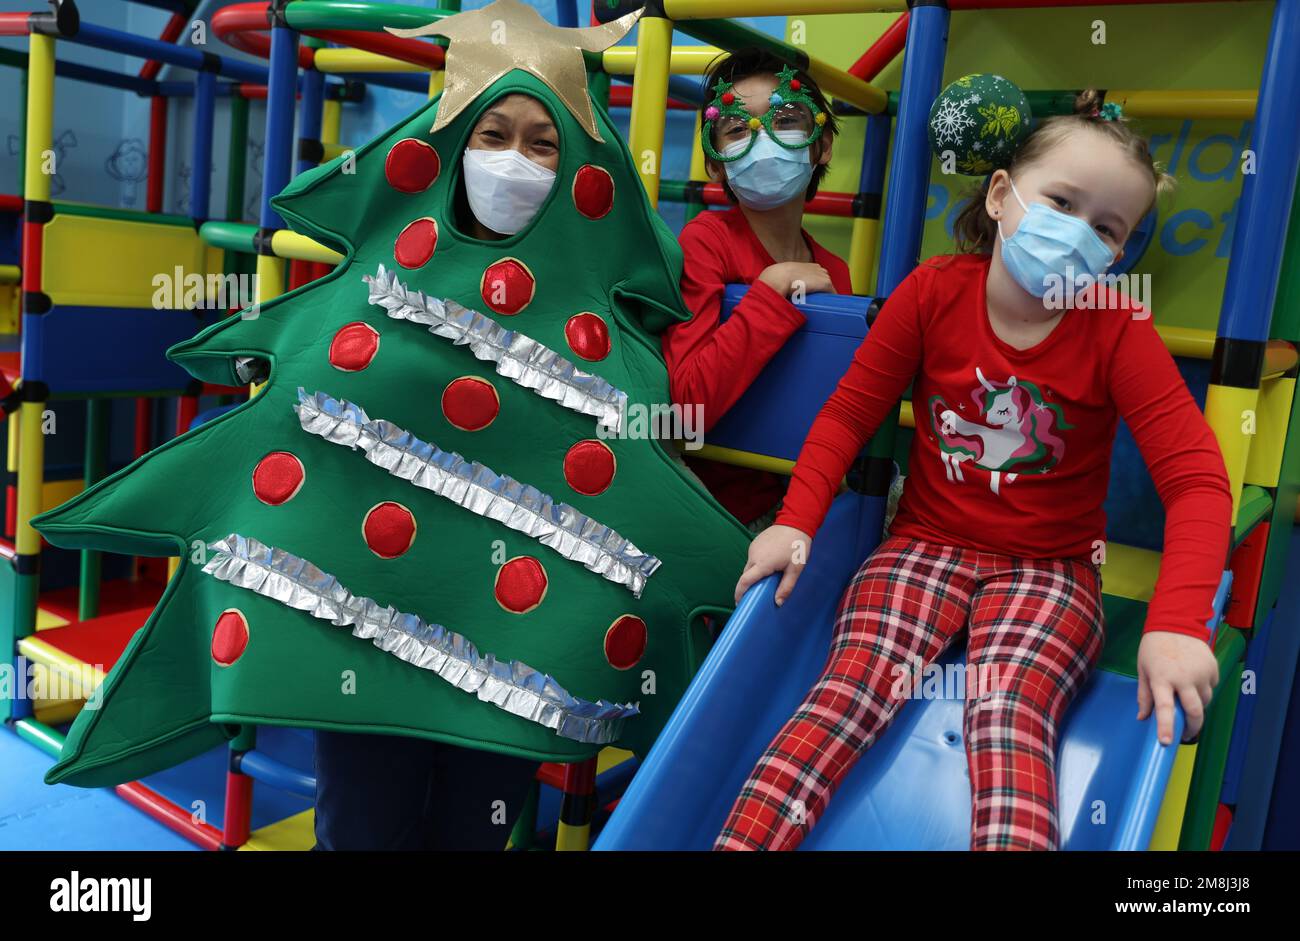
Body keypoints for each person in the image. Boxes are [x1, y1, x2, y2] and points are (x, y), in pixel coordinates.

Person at [715, 91, 1232, 851]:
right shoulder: (932, 293)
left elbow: (1197, 479)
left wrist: (1178, 623)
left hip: (1050, 570)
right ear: (1000, 195)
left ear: (1118, 254)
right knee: (850, 687)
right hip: (923, 545)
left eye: (1107, 228)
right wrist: (795, 520)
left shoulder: (1119, 327)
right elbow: (847, 415)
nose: (1078, 234)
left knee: (1007, 709)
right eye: (1061, 201)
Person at [312, 92, 555, 851]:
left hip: (511, 625)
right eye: (494, 134)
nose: (515, 158)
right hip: (378, 605)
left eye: (542, 144)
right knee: (361, 825)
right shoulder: (387, 267)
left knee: (475, 827)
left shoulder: (582, 298)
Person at [661, 49, 852, 534]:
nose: (763, 139)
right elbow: (685, 412)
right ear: (716, 165)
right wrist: (769, 292)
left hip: (804, 503)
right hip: (715, 512)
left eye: (786, 120)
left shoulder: (834, 273)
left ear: (822, 144)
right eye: (738, 129)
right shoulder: (706, 243)